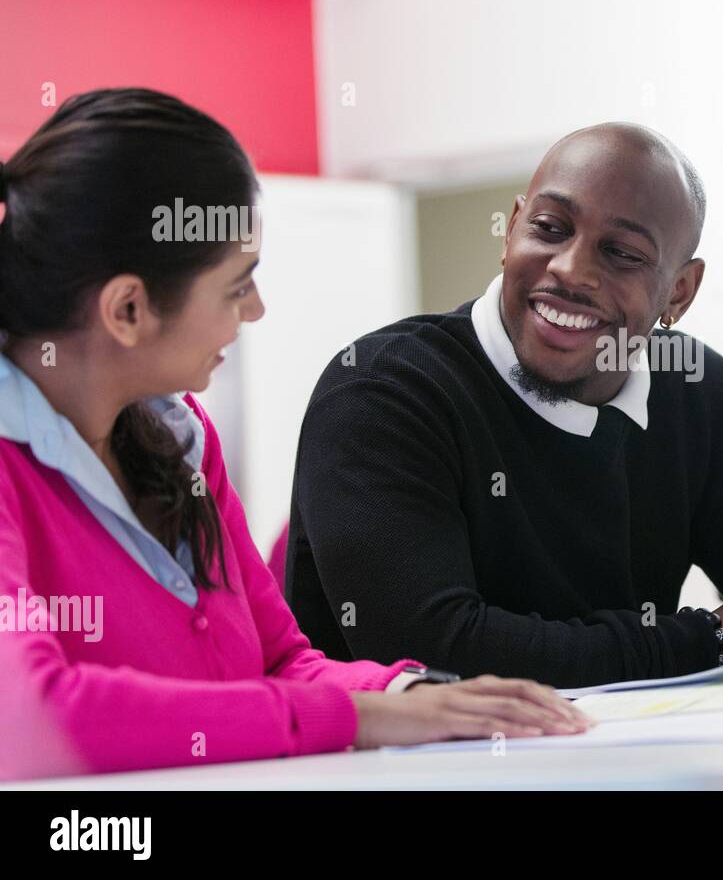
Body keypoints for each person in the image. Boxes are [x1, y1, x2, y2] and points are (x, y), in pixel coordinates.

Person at [0, 88, 585, 779]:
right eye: (236, 285)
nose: (256, 309)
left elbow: (279, 660)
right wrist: (358, 718)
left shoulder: (181, 437)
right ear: (128, 308)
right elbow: (32, 720)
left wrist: (417, 697)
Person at [287, 122, 723, 688]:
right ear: (512, 229)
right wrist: (709, 639)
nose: (571, 270)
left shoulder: (700, 392)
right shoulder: (385, 391)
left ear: (679, 292)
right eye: (550, 228)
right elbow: (429, 651)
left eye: (621, 253)